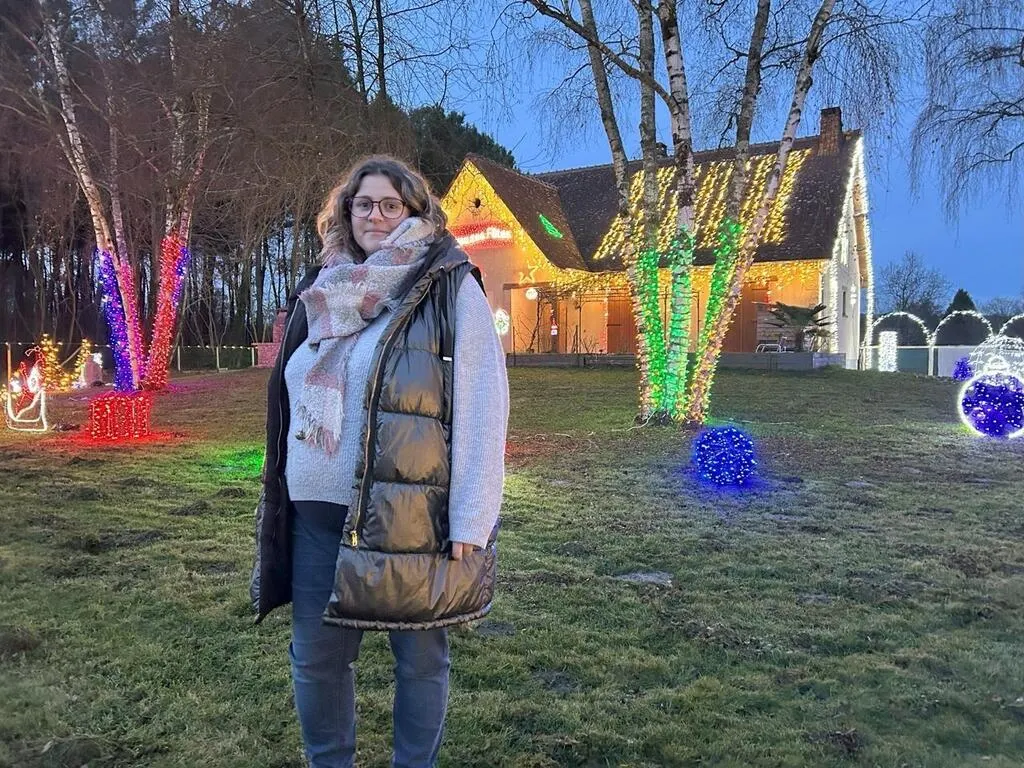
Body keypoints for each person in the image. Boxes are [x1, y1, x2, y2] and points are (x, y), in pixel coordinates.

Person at [250, 156, 509, 768]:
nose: (375, 215)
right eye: (363, 203)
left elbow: (482, 400)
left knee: (419, 655)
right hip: (315, 512)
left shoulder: (446, 284)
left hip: (407, 511)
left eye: (391, 204)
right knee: (316, 659)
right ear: (346, 212)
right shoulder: (323, 288)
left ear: (415, 211)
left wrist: (473, 517)